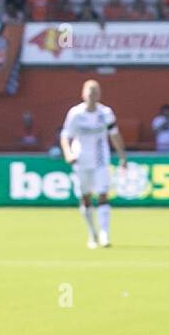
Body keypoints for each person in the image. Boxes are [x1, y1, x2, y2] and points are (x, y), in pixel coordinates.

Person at [61, 79, 127, 249]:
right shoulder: (75, 114)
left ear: (99, 95)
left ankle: (105, 234)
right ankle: (92, 233)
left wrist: (122, 156)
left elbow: (114, 135)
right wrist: (68, 152)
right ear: (83, 95)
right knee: (85, 198)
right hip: (81, 160)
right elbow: (65, 136)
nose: (92, 97)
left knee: (103, 194)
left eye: (96, 93)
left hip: (100, 160)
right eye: (90, 94)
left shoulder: (106, 113)